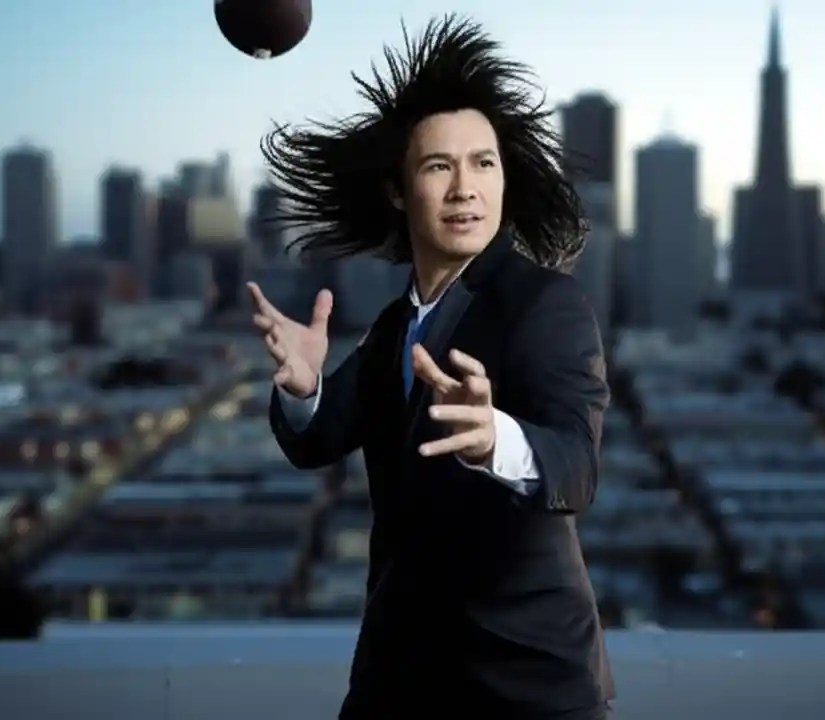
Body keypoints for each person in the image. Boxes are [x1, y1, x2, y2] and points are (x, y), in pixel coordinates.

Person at [247, 14, 614, 719]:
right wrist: (301, 389)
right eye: (439, 166)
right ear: (397, 189)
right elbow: (317, 438)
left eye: (484, 163)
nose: (465, 188)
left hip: (525, 689)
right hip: (399, 681)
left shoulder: (547, 304)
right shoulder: (395, 330)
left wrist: (497, 438)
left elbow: (577, 466)